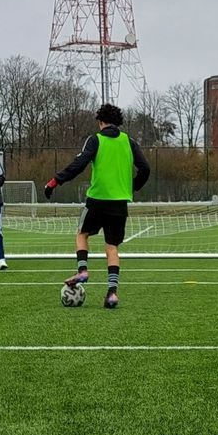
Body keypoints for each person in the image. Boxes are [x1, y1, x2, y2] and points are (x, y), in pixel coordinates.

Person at [44, 104, 150, 309]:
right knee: (112, 247)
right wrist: (131, 187)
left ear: (100, 122)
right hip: (119, 202)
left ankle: (83, 270)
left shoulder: (96, 140)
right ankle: (112, 294)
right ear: (117, 122)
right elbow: (145, 168)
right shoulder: (129, 141)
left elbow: (79, 164)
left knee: (82, 233)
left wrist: (55, 181)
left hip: (97, 199)